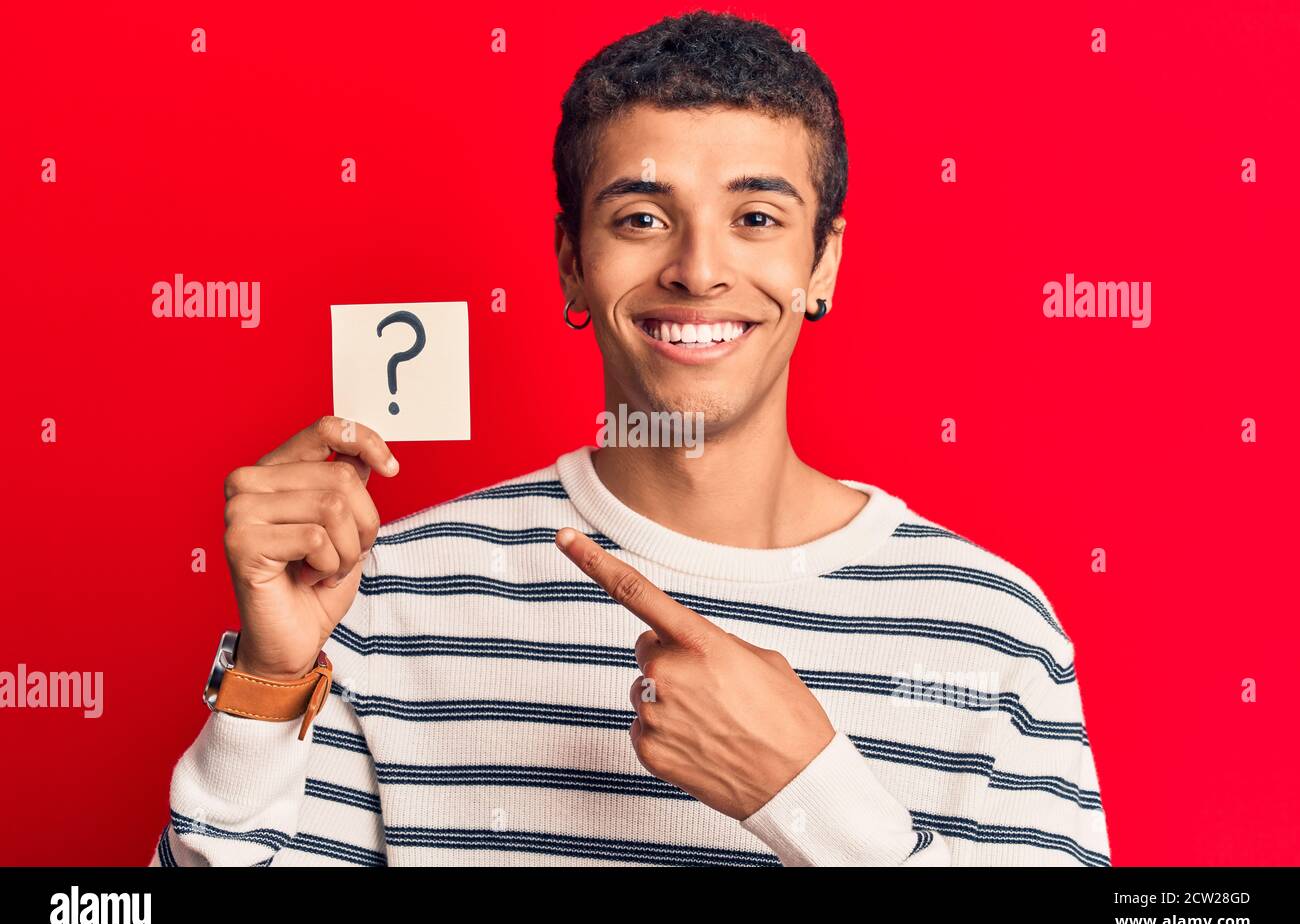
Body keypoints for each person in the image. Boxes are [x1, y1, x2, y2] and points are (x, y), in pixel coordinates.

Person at [151, 10, 1109, 867]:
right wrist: (271, 682)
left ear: (824, 262)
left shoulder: (992, 630)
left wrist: (810, 797)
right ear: (572, 264)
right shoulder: (380, 594)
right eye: (643, 218)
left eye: (756, 217)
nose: (698, 269)